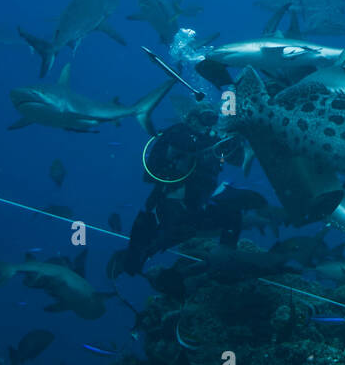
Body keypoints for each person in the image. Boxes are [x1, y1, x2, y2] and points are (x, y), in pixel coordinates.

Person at [108, 111, 255, 279]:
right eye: (205, 117)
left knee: (232, 216)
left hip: (196, 206)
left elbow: (238, 162)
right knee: (157, 241)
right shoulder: (178, 132)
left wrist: (240, 140)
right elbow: (189, 146)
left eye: (213, 118)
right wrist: (218, 139)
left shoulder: (212, 143)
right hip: (169, 202)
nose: (210, 123)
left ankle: (225, 257)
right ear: (191, 117)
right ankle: (129, 259)